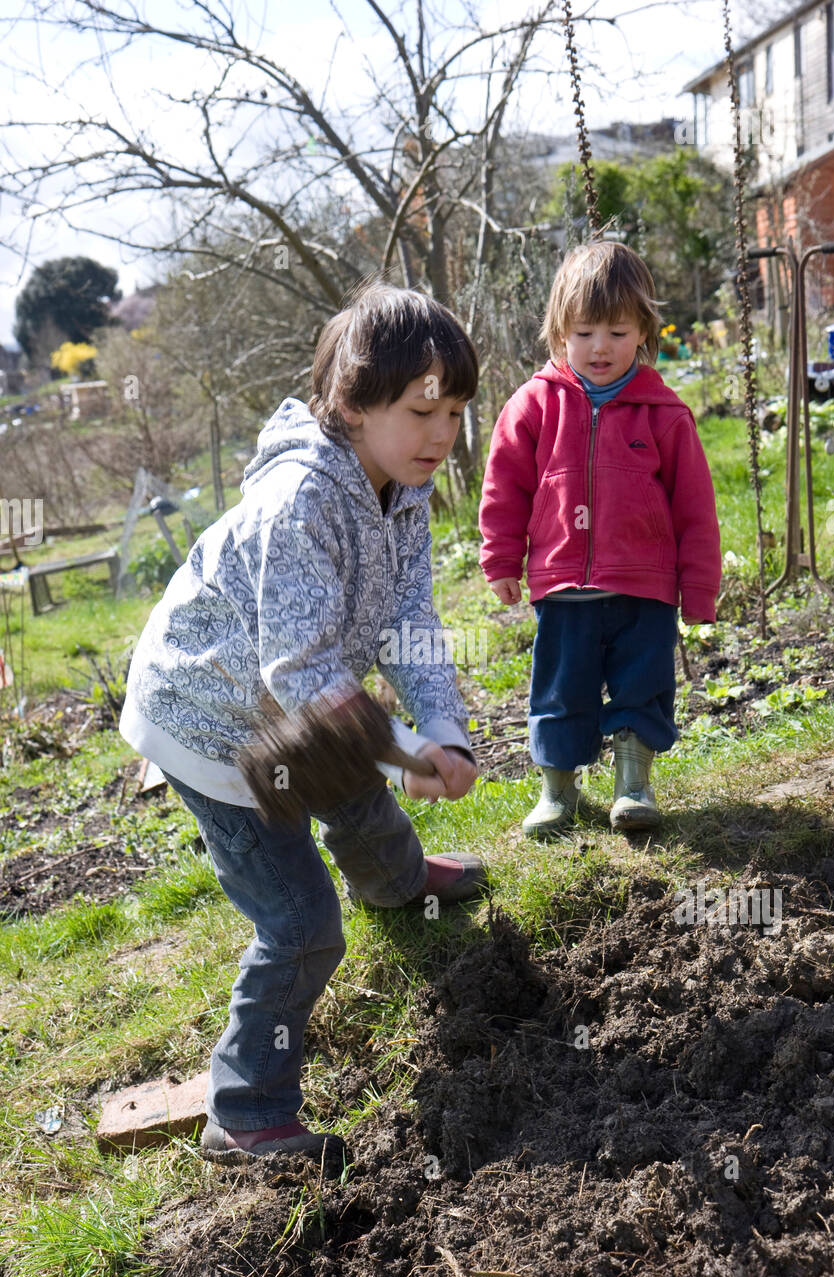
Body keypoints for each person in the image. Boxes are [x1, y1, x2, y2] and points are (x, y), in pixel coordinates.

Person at [119, 283, 486, 1163]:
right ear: (354, 407)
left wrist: (442, 725)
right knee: (300, 923)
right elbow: (303, 673)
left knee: (355, 796)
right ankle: (243, 1110)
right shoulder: (302, 503)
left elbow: (410, 614)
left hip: (292, 709)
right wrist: (403, 756)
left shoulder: (402, 486)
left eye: (457, 412)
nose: (443, 434)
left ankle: (398, 885)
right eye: (422, 410)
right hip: (216, 731)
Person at [478, 241, 721, 839]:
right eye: (584, 332)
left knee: (644, 683)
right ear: (560, 332)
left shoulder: (664, 415)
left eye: (617, 331)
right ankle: (557, 791)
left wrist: (699, 589)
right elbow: (504, 486)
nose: (600, 347)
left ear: (644, 330)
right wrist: (502, 557)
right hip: (565, 588)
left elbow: (696, 511)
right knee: (562, 689)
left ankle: (633, 783)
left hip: (646, 590)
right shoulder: (533, 405)